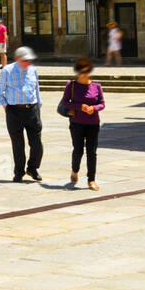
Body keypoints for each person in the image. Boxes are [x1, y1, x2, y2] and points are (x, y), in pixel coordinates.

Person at [0, 46, 43, 182]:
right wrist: (5, 106)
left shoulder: (33, 70)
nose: (28, 63)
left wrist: (38, 106)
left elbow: (36, 89)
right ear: (17, 59)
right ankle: (19, 172)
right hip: (14, 111)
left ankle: (32, 168)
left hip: (32, 110)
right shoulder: (7, 71)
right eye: (25, 60)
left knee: (37, 143)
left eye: (30, 60)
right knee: (18, 143)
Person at [60, 57, 105, 190]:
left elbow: (102, 104)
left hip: (93, 123)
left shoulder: (97, 86)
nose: (84, 74)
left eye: (87, 71)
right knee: (78, 150)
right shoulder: (71, 85)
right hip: (77, 123)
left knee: (92, 152)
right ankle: (75, 171)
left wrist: (94, 108)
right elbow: (65, 102)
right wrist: (80, 107)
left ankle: (91, 179)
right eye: (82, 71)